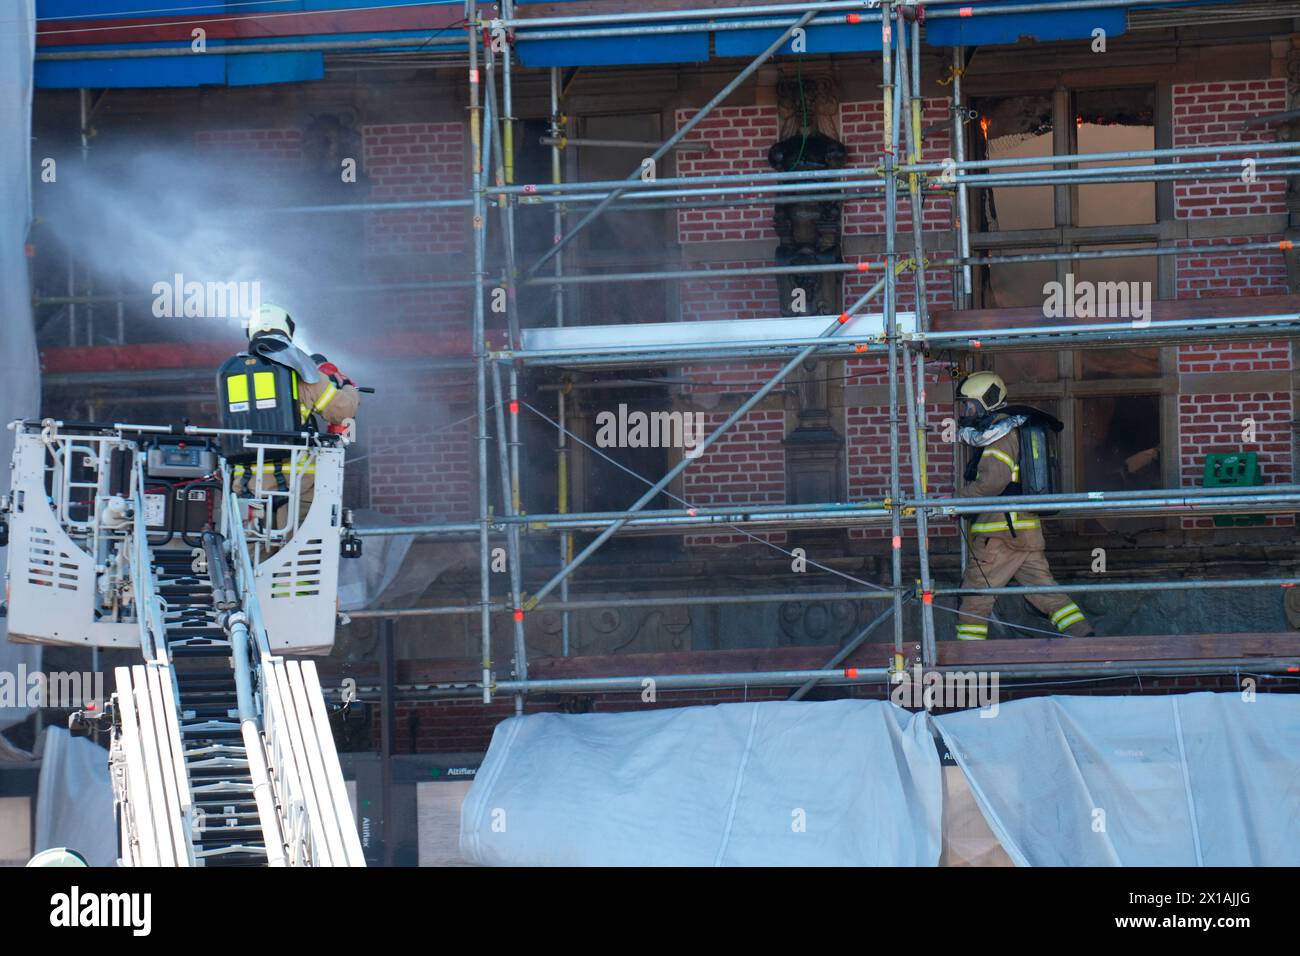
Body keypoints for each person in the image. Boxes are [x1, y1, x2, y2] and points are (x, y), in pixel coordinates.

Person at [953, 371, 1093, 640]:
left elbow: (992, 482)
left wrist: (957, 500)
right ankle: (1087, 643)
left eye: (969, 404)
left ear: (985, 402)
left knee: (974, 600)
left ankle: (968, 662)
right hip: (1025, 534)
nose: (966, 411)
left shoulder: (999, 434)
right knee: (1048, 596)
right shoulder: (1011, 429)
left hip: (999, 536)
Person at [217, 303, 360, 534]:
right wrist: (345, 384)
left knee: (252, 560)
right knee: (296, 563)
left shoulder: (230, 373)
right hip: (296, 486)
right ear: (286, 330)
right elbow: (342, 411)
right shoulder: (302, 369)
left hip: (245, 488)